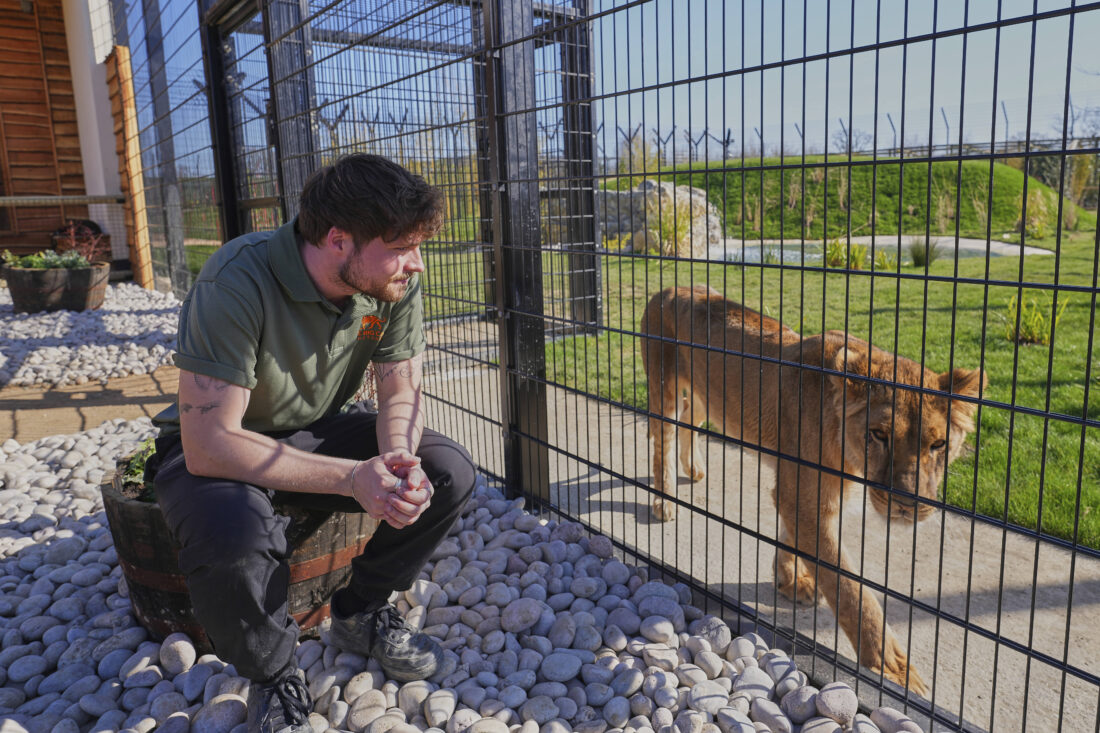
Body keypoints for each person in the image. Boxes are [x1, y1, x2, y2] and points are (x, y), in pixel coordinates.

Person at [145, 153, 476, 733]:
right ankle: (273, 674)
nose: (417, 264)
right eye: (402, 247)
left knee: (446, 468)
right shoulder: (237, 280)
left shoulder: (389, 287)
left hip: (311, 429)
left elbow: (401, 387)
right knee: (233, 534)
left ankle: (361, 613)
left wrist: (394, 456)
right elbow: (209, 443)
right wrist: (352, 478)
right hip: (218, 442)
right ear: (338, 240)